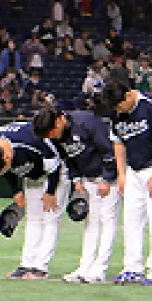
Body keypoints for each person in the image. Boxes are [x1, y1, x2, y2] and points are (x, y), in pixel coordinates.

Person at [99, 78, 152, 285]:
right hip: (133, 170)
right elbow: (117, 142)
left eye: (119, 105)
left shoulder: (149, 106)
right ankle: (132, 267)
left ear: (127, 96)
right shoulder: (117, 112)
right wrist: (122, 174)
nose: (118, 110)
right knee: (131, 220)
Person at [32, 107, 120, 284]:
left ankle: (99, 269)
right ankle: (84, 268)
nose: (51, 137)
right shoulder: (56, 136)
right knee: (91, 223)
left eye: (51, 132)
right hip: (88, 179)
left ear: (58, 121)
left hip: (108, 177)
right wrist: (76, 179)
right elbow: (67, 158)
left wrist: (107, 178)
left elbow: (109, 150)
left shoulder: (86, 122)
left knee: (107, 220)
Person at [0, 120, 65, 279]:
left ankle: (41, 268)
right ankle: (27, 264)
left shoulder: (29, 141)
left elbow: (54, 163)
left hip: (55, 171)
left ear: (7, 157)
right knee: (33, 219)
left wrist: (51, 191)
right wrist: (16, 190)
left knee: (50, 218)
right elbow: (7, 170)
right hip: (32, 175)